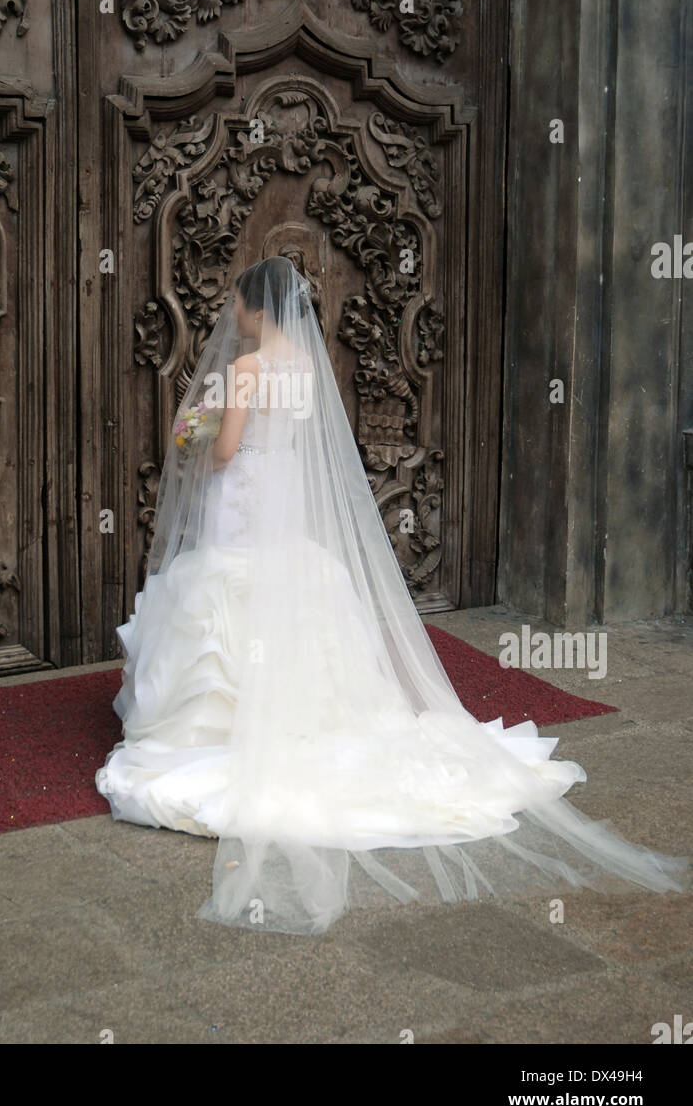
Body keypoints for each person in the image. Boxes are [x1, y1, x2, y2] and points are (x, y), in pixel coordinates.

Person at [96, 255, 690, 934]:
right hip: (285, 499)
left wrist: (195, 438)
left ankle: (228, 723)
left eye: (237, 303)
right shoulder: (307, 368)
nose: (232, 316)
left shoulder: (247, 369)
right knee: (288, 590)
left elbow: (227, 450)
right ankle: (302, 711)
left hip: (243, 502)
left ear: (257, 308)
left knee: (230, 593)